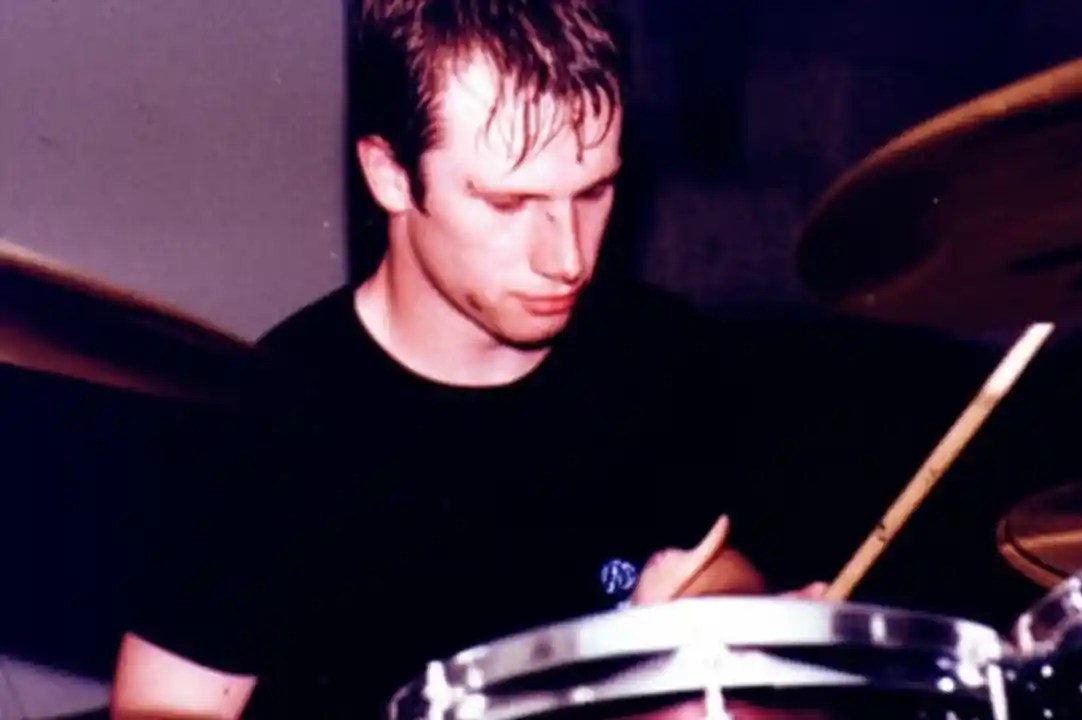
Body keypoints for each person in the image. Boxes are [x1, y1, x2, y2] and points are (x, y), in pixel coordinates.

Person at [110, 2, 823, 718]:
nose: (566, 256)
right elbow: (160, 707)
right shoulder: (267, 423)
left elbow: (725, 559)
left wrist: (713, 611)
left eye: (595, 191)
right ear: (390, 175)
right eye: (508, 203)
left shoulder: (669, 355)